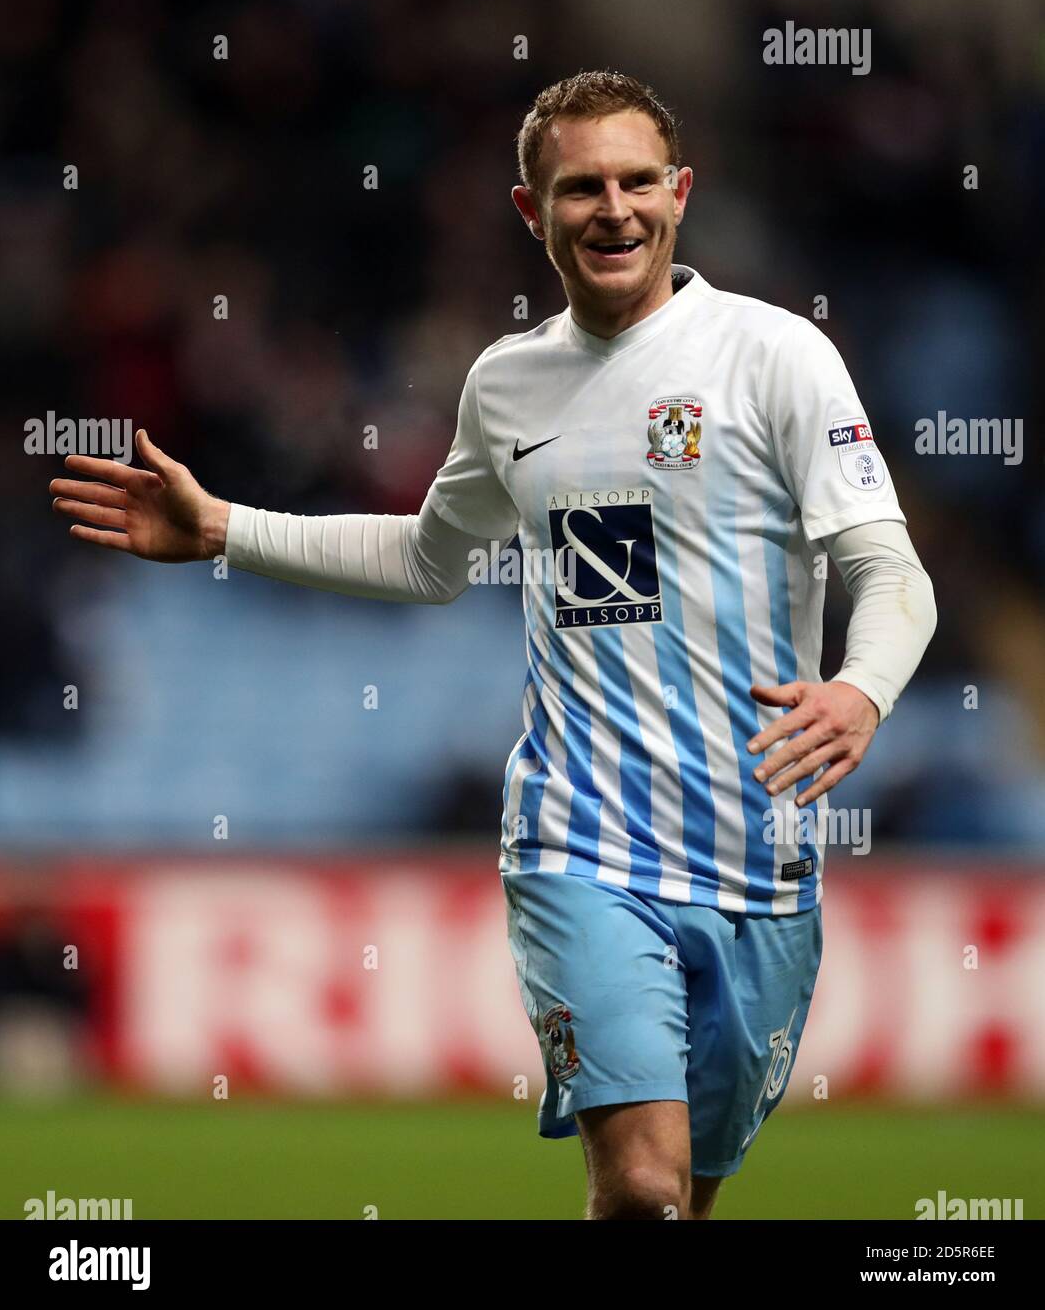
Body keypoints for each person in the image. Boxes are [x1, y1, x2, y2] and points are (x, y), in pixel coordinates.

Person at [50, 70, 936, 1220]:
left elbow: (888, 570)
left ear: (678, 193)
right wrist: (223, 526)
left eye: (633, 183)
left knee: (686, 1199)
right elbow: (430, 556)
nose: (610, 210)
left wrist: (860, 691)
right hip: (581, 842)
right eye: (579, 189)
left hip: (758, 860)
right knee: (640, 1187)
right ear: (533, 212)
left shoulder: (775, 358)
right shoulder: (508, 385)